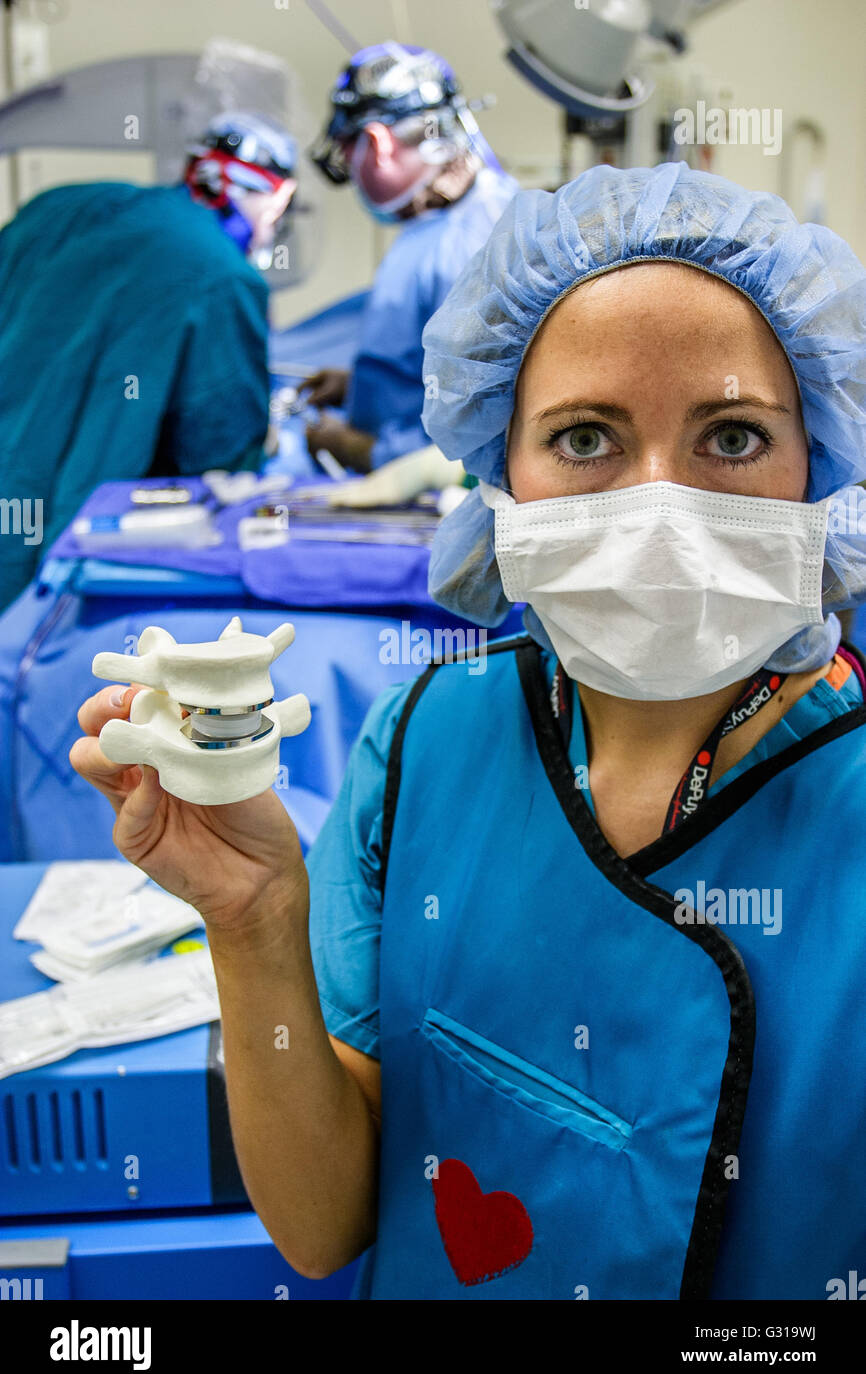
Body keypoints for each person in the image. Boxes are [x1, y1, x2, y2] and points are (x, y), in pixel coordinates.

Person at [71, 162, 866, 1300]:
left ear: (818, 469)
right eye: (585, 437)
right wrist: (251, 920)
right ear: (496, 469)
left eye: (730, 437)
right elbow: (320, 1224)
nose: (655, 504)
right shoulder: (426, 742)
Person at [0, 112, 297, 613]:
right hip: (60, 538)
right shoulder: (223, 276)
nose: (270, 234)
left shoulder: (61, 207)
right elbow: (220, 460)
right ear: (274, 198)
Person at [302, 41, 518, 477]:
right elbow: (438, 369)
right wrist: (359, 389)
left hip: (435, 502)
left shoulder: (469, 242)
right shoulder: (443, 220)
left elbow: (481, 422)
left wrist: (358, 449)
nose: (347, 163)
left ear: (377, 145)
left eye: (349, 149)